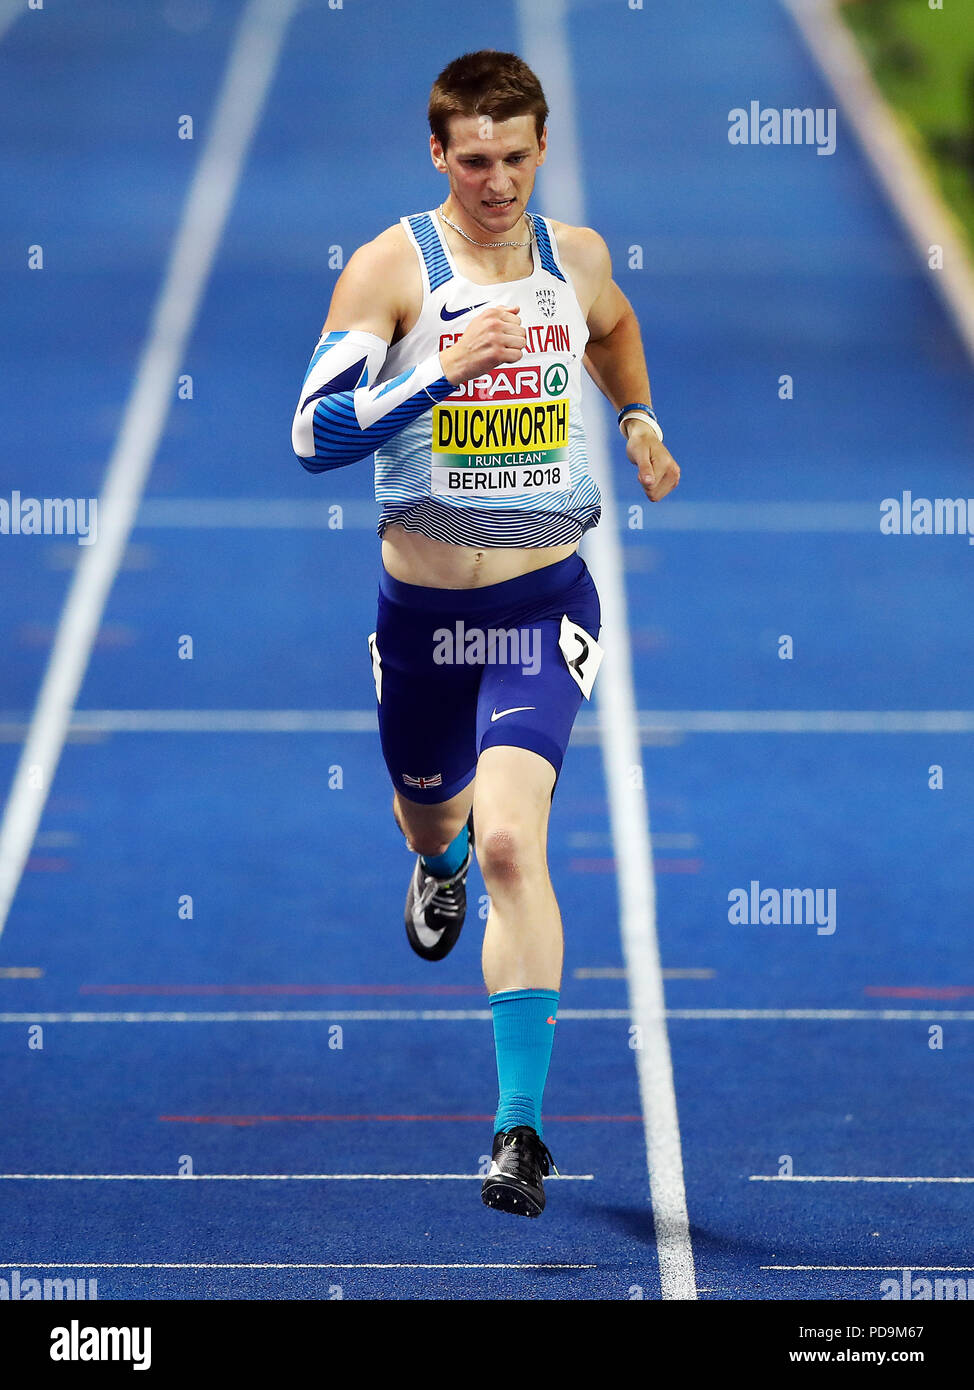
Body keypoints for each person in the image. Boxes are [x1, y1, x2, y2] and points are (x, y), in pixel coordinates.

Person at [291, 49, 680, 1218]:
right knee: (437, 815)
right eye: (473, 160)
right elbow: (312, 435)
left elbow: (612, 330)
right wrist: (434, 376)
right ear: (436, 155)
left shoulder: (579, 260)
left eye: (514, 158)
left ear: (540, 147)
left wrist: (639, 413)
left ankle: (518, 1132)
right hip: (419, 616)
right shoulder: (391, 271)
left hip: (538, 607)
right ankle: (433, 857)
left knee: (517, 845)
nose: (496, 182)